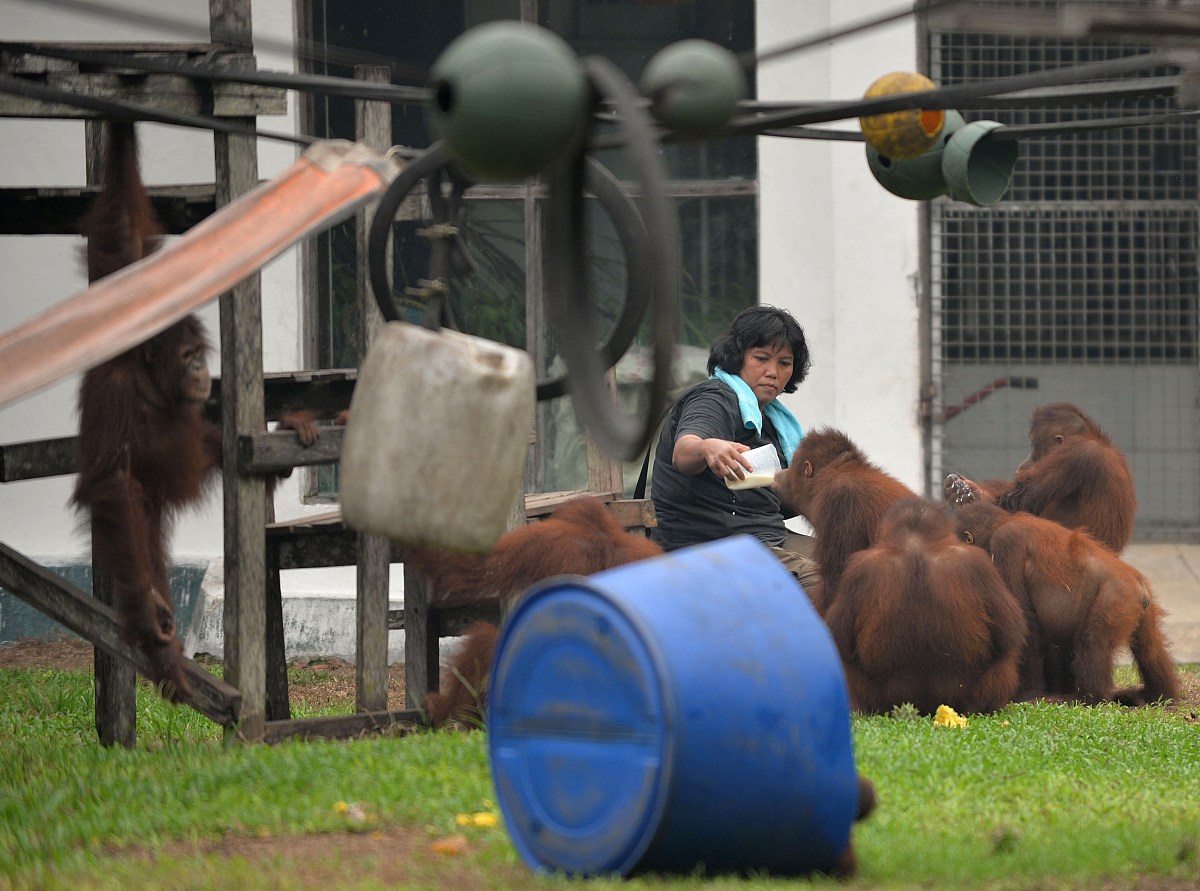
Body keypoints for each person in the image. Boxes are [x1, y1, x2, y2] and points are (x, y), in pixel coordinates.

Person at [650, 304, 821, 595]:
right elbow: (684, 452)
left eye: (784, 363)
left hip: (765, 537)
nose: (773, 372)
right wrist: (707, 447)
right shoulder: (715, 399)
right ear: (736, 357)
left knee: (857, 562)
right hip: (708, 545)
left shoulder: (770, 419)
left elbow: (770, 498)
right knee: (821, 580)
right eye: (761, 358)